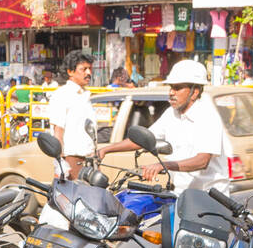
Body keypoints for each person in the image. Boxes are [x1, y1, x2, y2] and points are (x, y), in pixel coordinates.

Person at [99, 59, 225, 192]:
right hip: (180, 194)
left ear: (195, 92)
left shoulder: (208, 116)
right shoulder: (171, 114)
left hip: (208, 199)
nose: (171, 92)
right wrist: (106, 150)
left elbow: (202, 161)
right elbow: (144, 139)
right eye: (171, 87)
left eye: (177, 88)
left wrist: (163, 165)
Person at [47, 49, 97, 180]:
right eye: (83, 69)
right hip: (72, 161)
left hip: (89, 160)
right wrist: (60, 163)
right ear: (70, 71)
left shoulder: (84, 95)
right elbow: (58, 131)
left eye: (90, 69)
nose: (88, 73)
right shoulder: (62, 95)